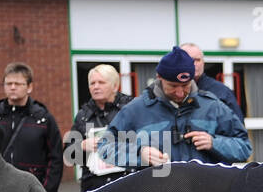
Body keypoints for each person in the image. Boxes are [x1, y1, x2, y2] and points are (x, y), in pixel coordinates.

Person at [99, 46, 252, 169]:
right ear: (159, 78)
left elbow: (245, 148)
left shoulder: (213, 107)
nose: (179, 93)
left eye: (185, 85)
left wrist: (214, 143)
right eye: (172, 86)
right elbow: (105, 147)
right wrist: (140, 154)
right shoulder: (135, 110)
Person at [0, 63, 63, 192]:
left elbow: (56, 159)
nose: (12, 87)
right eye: (8, 83)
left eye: (18, 83)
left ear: (29, 87)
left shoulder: (44, 119)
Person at [65, 64, 132, 192]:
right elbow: (70, 156)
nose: (96, 87)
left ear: (115, 86)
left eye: (101, 82)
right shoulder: (83, 116)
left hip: (126, 184)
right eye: (92, 83)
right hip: (93, 188)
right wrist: (82, 146)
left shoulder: (131, 109)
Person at [181, 43, 244, 121]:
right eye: (189, 60)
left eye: (197, 60)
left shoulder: (222, 92)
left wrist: (211, 134)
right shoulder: (167, 92)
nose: (194, 64)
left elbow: (238, 129)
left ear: (203, 62)